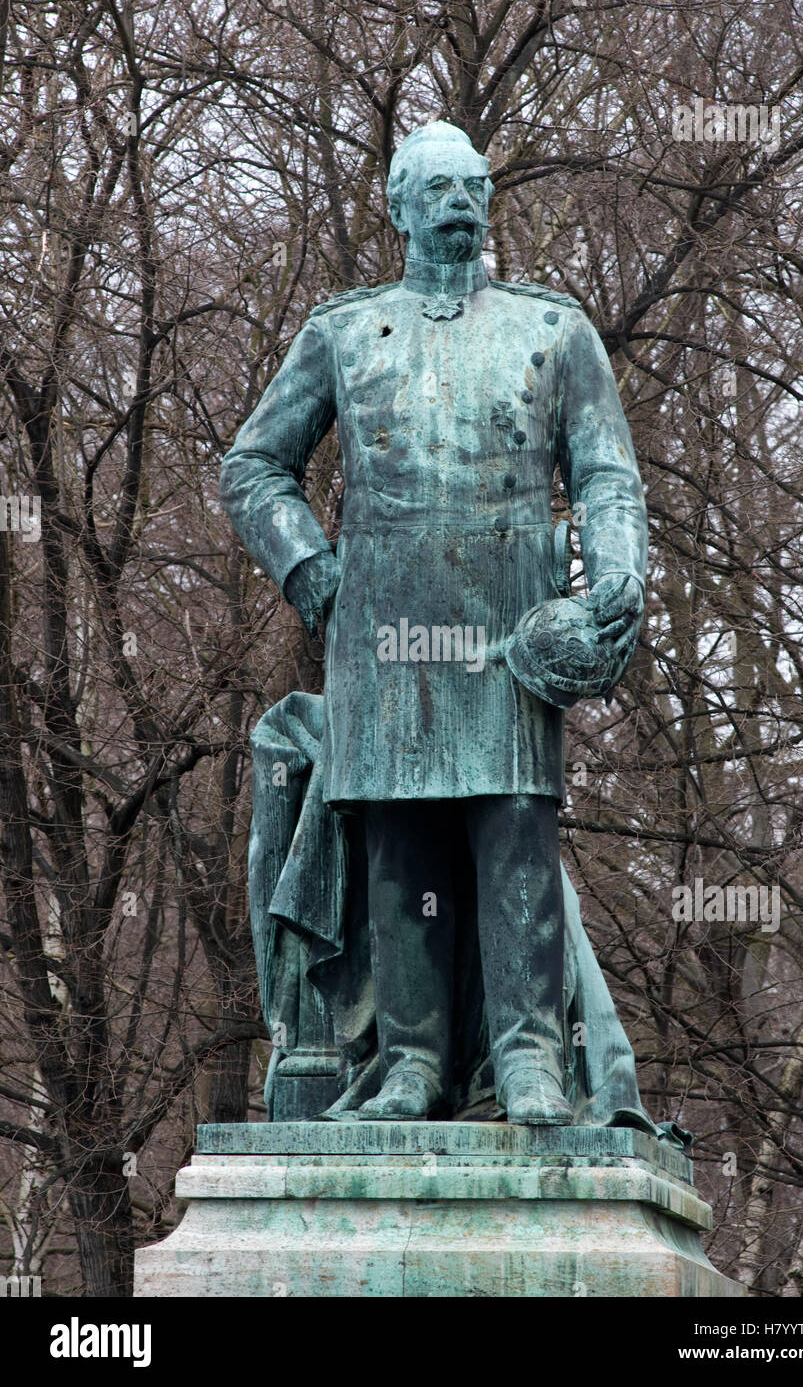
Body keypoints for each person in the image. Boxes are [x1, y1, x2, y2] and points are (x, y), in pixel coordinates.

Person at [221, 121, 647, 1124]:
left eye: (473, 185)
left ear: (489, 199)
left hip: (508, 632)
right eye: (438, 187)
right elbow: (252, 466)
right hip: (382, 636)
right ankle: (409, 1065)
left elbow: (603, 475)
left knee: (514, 850)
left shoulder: (552, 331)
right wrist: (305, 563)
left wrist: (615, 577)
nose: (458, 200)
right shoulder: (342, 331)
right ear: (397, 203)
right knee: (400, 855)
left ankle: (529, 1060)